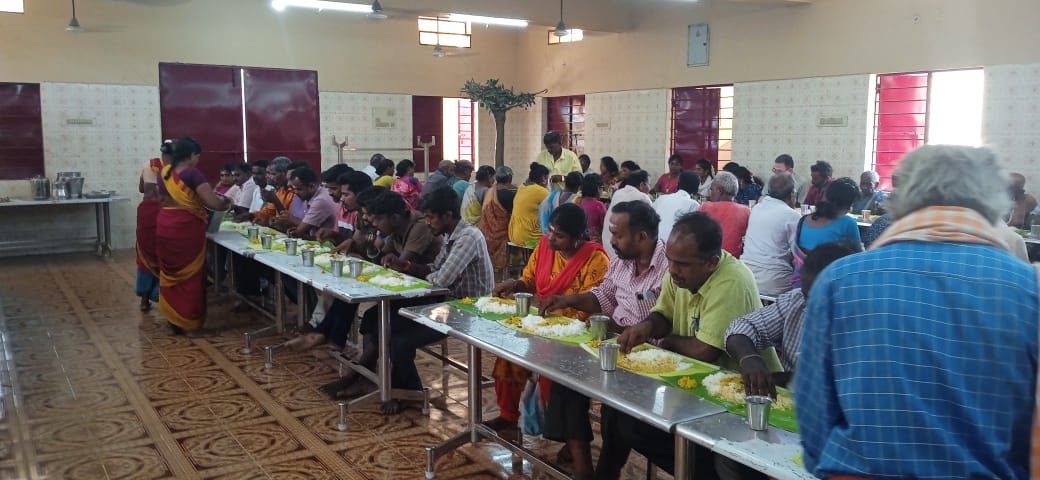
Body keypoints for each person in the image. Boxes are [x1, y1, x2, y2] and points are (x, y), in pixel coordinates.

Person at [796, 145, 1037, 479]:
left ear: (902, 197)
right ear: (994, 202)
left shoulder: (839, 281)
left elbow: (813, 421)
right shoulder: (1028, 290)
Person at [597, 212, 776, 479]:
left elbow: (705, 351)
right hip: (692, 386)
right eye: (669, 260)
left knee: (635, 426)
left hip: (737, 398)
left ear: (711, 262)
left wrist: (666, 341)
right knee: (617, 408)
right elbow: (663, 315)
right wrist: (646, 327)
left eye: (681, 264)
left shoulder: (732, 281)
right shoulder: (678, 272)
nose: (672, 270)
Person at [538, 201, 668, 479]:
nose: (612, 241)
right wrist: (566, 299)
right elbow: (604, 296)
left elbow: (668, 320)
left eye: (617, 234)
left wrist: (628, 329)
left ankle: (607, 471)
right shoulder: (622, 260)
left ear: (641, 237)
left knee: (617, 415)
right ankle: (584, 469)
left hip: (650, 357)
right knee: (566, 380)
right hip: (613, 346)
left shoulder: (671, 266)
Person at [488, 204, 609, 442]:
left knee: (551, 375)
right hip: (543, 326)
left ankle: (569, 439)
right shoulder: (544, 247)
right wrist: (515, 285)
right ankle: (508, 417)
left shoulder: (595, 260)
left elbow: (593, 303)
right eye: (550, 230)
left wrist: (559, 325)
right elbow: (530, 279)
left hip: (576, 335)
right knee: (507, 361)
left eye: (559, 235)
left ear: (577, 238)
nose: (551, 238)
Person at [380, 187, 496, 413]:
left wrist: (428, 274)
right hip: (448, 304)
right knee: (384, 324)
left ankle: (410, 392)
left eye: (432, 217)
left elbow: (441, 279)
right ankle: (399, 388)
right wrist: (407, 266)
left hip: (470, 312)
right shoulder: (450, 237)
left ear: (448, 216)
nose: (428, 222)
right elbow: (434, 268)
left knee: (399, 340)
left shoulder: (468, 237)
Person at [318, 190, 443, 399]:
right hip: (410, 293)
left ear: (393, 217)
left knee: (387, 325)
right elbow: (383, 257)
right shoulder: (394, 229)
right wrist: (373, 247)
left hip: (432, 295)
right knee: (370, 318)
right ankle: (365, 378)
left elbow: (402, 263)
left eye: (377, 219)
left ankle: (365, 377)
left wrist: (386, 256)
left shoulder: (419, 226)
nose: (373, 223)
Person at [725, 242, 856, 397]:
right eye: (808, 296)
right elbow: (741, 326)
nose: (813, 307)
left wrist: (780, 379)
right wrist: (749, 357)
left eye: (823, 300)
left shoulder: (868, 325)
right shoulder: (797, 301)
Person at [155, 138, 232, 335]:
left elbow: (161, 198)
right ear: (191, 156)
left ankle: (173, 318)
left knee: (170, 270)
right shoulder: (192, 173)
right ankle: (189, 323)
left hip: (165, 222)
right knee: (192, 275)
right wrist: (227, 203)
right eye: (197, 156)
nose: (198, 159)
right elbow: (212, 203)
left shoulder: (164, 172)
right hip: (185, 227)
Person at [791, 177, 862, 287]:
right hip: (828, 285)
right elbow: (857, 257)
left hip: (800, 282)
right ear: (849, 204)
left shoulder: (804, 220)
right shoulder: (848, 222)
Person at [741, 173, 802, 296]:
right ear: (792, 194)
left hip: (746, 276)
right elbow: (798, 254)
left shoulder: (757, 208)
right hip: (775, 282)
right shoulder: (792, 216)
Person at [697, 171, 751, 258]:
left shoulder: (705, 207)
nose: (710, 194)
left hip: (707, 260)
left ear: (720, 191)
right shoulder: (746, 211)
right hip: (733, 261)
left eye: (711, 189)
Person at [135, 156, 164, 312]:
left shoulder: (147, 165)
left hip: (145, 211)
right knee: (162, 253)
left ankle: (144, 300)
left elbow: (141, 188)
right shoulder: (172, 169)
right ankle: (161, 295)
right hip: (162, 210)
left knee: (144, 255)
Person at [603, 170, 652, 259]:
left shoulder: (618, 192)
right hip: (621, 250)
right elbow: (652, 222)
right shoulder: (642, 197)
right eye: (649, 184)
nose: (650, 188)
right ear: (642, 185)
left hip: (607, 245)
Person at [480, 166, 517, 270]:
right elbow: (513, 214)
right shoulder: (509, 195)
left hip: (488, 233)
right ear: (510, 178)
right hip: (503, 234)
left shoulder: (490, 192)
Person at [285, 167, 338, 240]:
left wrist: (289, 220)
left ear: (311, 186)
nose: (296, 192)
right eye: (294, 189)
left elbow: (300, 231)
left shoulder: (321, 200)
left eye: (299, 189)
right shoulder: (309, 196)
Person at [508, 163, 551, 246]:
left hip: (513, 234)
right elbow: (554, 208)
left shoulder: (522, 187)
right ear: (543, 178)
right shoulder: (541, 191)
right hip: (527, 238)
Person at [653, 171, 700, 240]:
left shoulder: (661, 198)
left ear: (678, 184)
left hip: (654, 243)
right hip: (674, 246)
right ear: (696, 188)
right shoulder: (693, 205)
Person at [253, 156, 295, 228]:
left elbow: (288, 221)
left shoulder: (294, 192)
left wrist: (275, 200)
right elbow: (268, 212)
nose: (267, 176)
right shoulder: (280, 190)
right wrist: (250, 216)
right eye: (267, 173)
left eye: (272, 174)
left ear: (285, 174)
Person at [577, 174, 606, 243]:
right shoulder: (599, 205)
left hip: (580, 241)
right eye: (602, 187)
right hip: (595, 242)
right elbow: (605, 226)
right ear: (598, 188)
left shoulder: (578, 201)